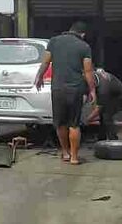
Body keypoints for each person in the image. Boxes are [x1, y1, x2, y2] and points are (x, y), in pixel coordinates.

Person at [35, 21, 96, 165]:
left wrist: (39, 77)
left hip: (57, 88)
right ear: (83, 34)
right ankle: (74, 157)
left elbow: (45, 62)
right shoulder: (84, 46)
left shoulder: (54, 41)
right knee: (74, 124)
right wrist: (92, 90)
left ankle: (65, 152)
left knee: (60, 123)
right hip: (75, 89)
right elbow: (88, 71)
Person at [86, 67, 122, 141]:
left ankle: (113, 139)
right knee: (102, 117)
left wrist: (87, 120)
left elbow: (99, 108)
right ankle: (101, 138)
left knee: (107, 116)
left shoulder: (103, 89)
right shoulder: (92, 76)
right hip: (110, 89)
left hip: (117, 95)